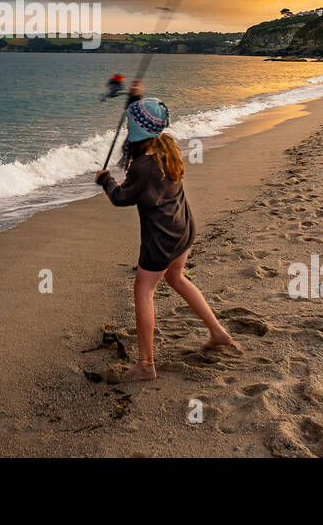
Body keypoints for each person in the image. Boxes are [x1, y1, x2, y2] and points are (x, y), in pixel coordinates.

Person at [95, 81, 235, 381]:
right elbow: (144, 124)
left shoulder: (142, 167)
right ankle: (218, 331)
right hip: (183, 228)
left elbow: (121, 198)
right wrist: (137, 99)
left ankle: (145, 365)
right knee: (176, 277)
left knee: (143, 290)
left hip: (161, 240)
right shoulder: (166, 145)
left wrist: (106, 181)